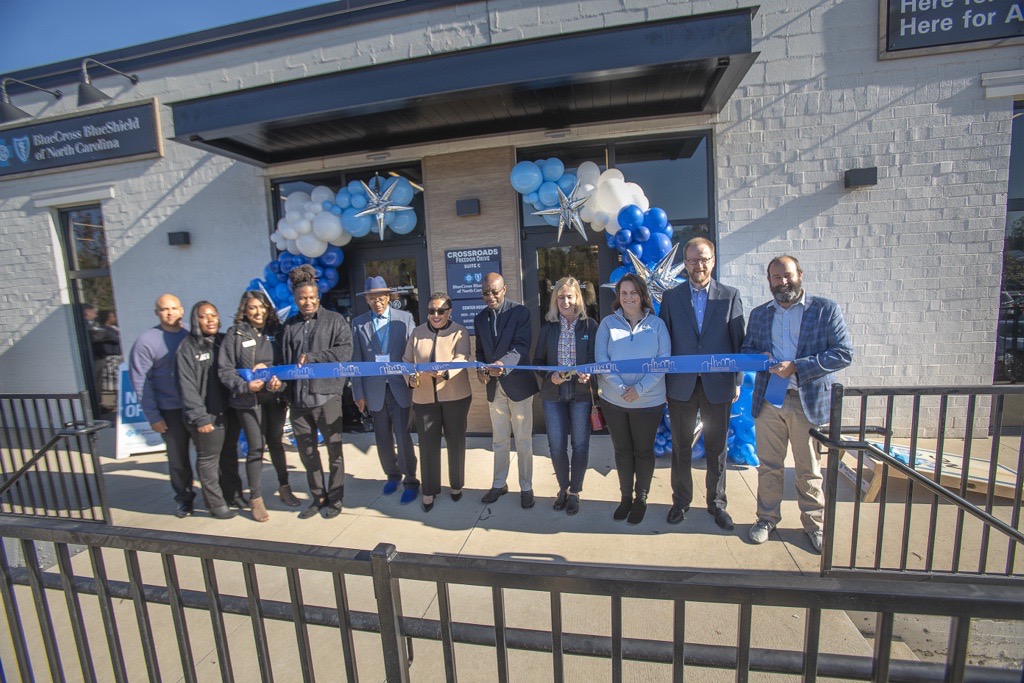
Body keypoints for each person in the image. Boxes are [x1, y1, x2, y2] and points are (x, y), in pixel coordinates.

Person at [741, 255, 853, 553]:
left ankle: (815, 525)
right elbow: (747, 348)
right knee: (769, 466)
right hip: (769, 401)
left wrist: (798, 366)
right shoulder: (760, 314)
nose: (783, 282)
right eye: (776, 278)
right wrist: (761, 360)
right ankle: (766, 519)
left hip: (808, 401)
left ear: (800, 274)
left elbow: (843, 353)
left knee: (809, 469)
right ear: (769, 282)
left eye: (787, 275)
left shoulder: (825, 310)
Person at [659, 237, 745, 531]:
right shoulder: (671, 298)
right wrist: (665, 384)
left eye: (704, 259)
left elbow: (738, 343)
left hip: (717, 385)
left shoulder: (730, 296)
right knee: (681, 447)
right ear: (686, 263)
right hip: (681, 386)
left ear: (714, 260)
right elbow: (665, 344)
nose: (699, 265)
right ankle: (681, 501)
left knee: (716, 448)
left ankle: (716, 503)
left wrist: (737, 382)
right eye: (693, 260)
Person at [278, 265, 354, 520]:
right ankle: (318, 497)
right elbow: (284, 361)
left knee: (334, 450)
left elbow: (345, 352)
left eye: (311, 297)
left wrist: (313, 357)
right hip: (298, 401)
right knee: (308, 453)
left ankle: (335, 498)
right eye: (302, 298)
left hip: (327, 396)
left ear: (318, 298)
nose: (307, 302)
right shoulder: (289, 326)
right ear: (296, 299)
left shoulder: (335, 320)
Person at [595, 273, 670, 525]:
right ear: (618, 296)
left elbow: (663, 362)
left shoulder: (657, 325)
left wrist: (639, 388)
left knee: (644, 451)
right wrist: (620, 388)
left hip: (649, 401)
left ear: (642, 295)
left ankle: (641, 498)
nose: (629, 298)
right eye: (624, 293)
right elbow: (601, 361)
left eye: (633, 292)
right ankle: (625, 497)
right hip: (614, 401)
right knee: (623, 450)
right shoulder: (607, 324)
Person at [219, 289, 299, 523]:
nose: (257, 312)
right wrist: (245, 386)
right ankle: (256, 499)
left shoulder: (276, 331)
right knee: (256, 447)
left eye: (261, 307)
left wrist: (279, 381)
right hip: (248, 400)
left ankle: (284, 487)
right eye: (252, 307)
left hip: (273, 398)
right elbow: (224, 371)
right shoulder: (235, 334)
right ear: (245, 309)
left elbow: (285, 365)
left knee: (276, 443)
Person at [351, 277, 419, 504]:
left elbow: (413, 353)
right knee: (382, 438)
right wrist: (358, 393)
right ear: (367, 300)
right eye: (372, 299)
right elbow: (356, 361)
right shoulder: (359, 324)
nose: (377, 302)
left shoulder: (405, 319)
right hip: (374, 391)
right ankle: (392, 474)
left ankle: (411, 481)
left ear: (389, 298)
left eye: (381, 298)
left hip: (400, 388)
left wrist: (416, 380)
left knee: (403, 436)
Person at [533, 276, 598, 515]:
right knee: (557, 446)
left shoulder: (590, 325)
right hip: (553, 394)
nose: (565, 301)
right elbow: (537, 362)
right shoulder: (548, 327)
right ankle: (562, 488)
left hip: (580, 394)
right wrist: (551, 376)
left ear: (578, 298)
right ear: (555, 300)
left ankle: (575, 492)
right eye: (560, 297)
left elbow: (595, 360)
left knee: (580, 445)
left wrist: (587, 374)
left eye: (569, 296)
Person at [129, 294, 197, 517]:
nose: (170, 313)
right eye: (164, 309)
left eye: (174, 308)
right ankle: (184, 499)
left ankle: (217, 496)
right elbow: (141, 382)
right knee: (178, 459)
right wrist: (153, 416)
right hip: (170, 410)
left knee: (209, 456)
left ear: (182, 310)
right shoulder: (146, 341)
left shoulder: (191, 333)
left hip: (197, 407)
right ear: (157, 313)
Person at [403, 292, 472, 512]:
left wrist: (444, 372)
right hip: (424, 398)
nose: (435, 315)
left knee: (456, 442)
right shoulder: (417, 332)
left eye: (440, 311)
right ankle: (429, 490)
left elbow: (462, 358)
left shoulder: (460, 332)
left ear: (449, 311)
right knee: (427, 446)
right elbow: (406, 361)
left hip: (455, 396)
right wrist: (410, 378)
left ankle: (456, 485)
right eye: (431, 311)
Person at [474, 273, 538, 508]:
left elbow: (522, 346)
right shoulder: (479, 318)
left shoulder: (520, 312)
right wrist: (481, 368)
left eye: (494, 291)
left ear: (505, 289)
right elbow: (480, 351)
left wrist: (503, 365)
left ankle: (526, 487)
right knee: (499, 440)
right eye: (485, 293)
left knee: (523, 440)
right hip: (494, 387)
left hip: (518, 385)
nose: (490, 296)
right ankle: (499, 483)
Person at [176, 301, 243, 520]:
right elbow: (186, 387)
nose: (210, 320)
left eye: (213, 315)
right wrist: (199, 416)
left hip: (228, 411)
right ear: (196, 320)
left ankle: (233, 494)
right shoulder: (187, 348)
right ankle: (215, 504)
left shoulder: (224, 341)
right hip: (206, 415)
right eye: (204, 316)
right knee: (208, 461)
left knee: (229, 456)